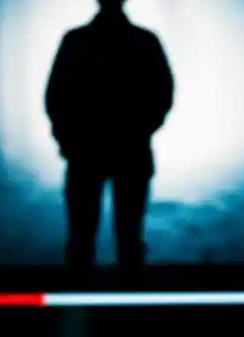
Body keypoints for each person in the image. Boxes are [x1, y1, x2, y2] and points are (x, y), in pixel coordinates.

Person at [45, 0, 174, 282]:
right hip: (128, 151)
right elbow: (163, 93)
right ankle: (131, 303)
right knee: (128, 241)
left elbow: (56, 95)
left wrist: (67, 138)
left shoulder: (76, 41)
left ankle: (79, 300)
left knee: (83, 240)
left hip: (87, 152)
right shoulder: (144, 41)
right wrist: (142, 131)